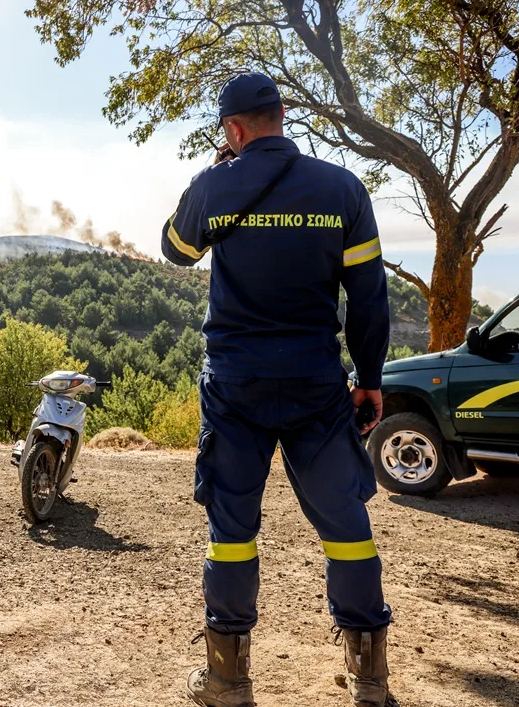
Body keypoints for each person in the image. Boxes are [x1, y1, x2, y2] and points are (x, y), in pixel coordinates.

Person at [161, 72, 393, 707]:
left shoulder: (216, 183)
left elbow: (176, 248)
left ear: (233, 130)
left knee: (232, 527)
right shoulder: (343, 188)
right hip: (318, 382)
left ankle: (227, 677)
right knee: (346, 523)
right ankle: (369, 674)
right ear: (282, 114)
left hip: (237, 385)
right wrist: (369, 379)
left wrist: (212, 174)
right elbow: (369, 299)